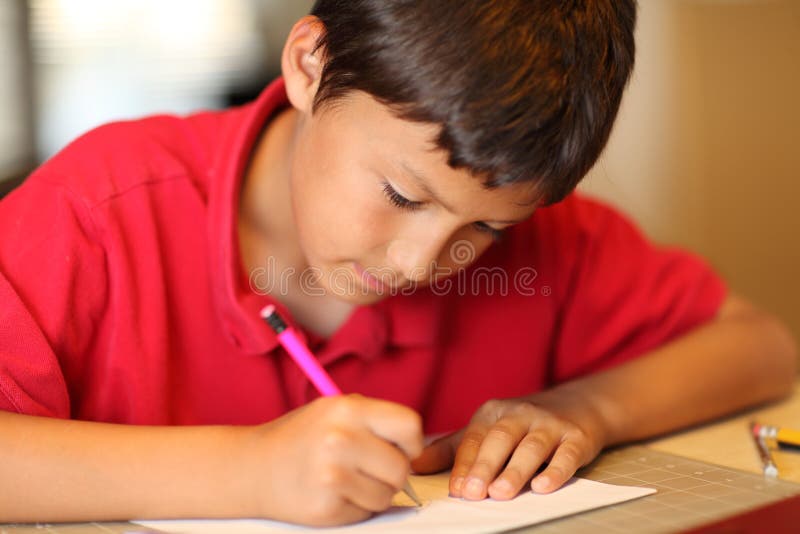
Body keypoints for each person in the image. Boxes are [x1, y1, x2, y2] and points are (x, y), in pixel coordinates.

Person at [0, 0, 795, 527]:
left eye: (486, 226)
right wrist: (246, 471)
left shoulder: (553, 243)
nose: (423, 261)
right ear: (310, 64)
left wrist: (587, 410)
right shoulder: (101, 210)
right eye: (401, 194)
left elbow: (760, 347)